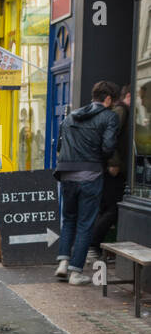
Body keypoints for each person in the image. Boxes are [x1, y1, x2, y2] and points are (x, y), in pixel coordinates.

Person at [55, 80, 121, 285]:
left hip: (66, 174)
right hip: (91, 175)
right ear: (108, 99)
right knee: (85, 224)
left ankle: (63, 263)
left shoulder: (71, 116)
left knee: (69, 220)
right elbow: (109, 146)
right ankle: (75, 272)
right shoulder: (109, 116)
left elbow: (59, 145)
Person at [90, 85, 130, 260]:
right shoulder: (121, 110)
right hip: (113, 169)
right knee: (112, 209)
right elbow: (110, 136)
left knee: (108, 208)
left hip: (110, 167)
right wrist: (113, 163)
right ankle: (93, 244)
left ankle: (96, 246)